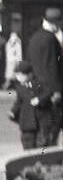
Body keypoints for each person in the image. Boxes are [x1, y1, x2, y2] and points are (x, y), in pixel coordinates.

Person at [25, 8, 63, 148]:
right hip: (50, 92)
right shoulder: (50, 39)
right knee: (51, 131)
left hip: (38, 89)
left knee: (44, 130)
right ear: (55, 23)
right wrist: (56, 91)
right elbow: (52, 67)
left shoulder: (35, 38)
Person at [7, 62, 42, 150]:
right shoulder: (20, 88)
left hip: (35, 119)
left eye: (21, 75)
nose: (19, 78)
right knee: (27, 142)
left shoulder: (37, 85)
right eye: (18, 75)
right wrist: (13, 111)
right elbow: (18, 102)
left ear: (29, 74)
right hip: (26, 121)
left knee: (37, 143)